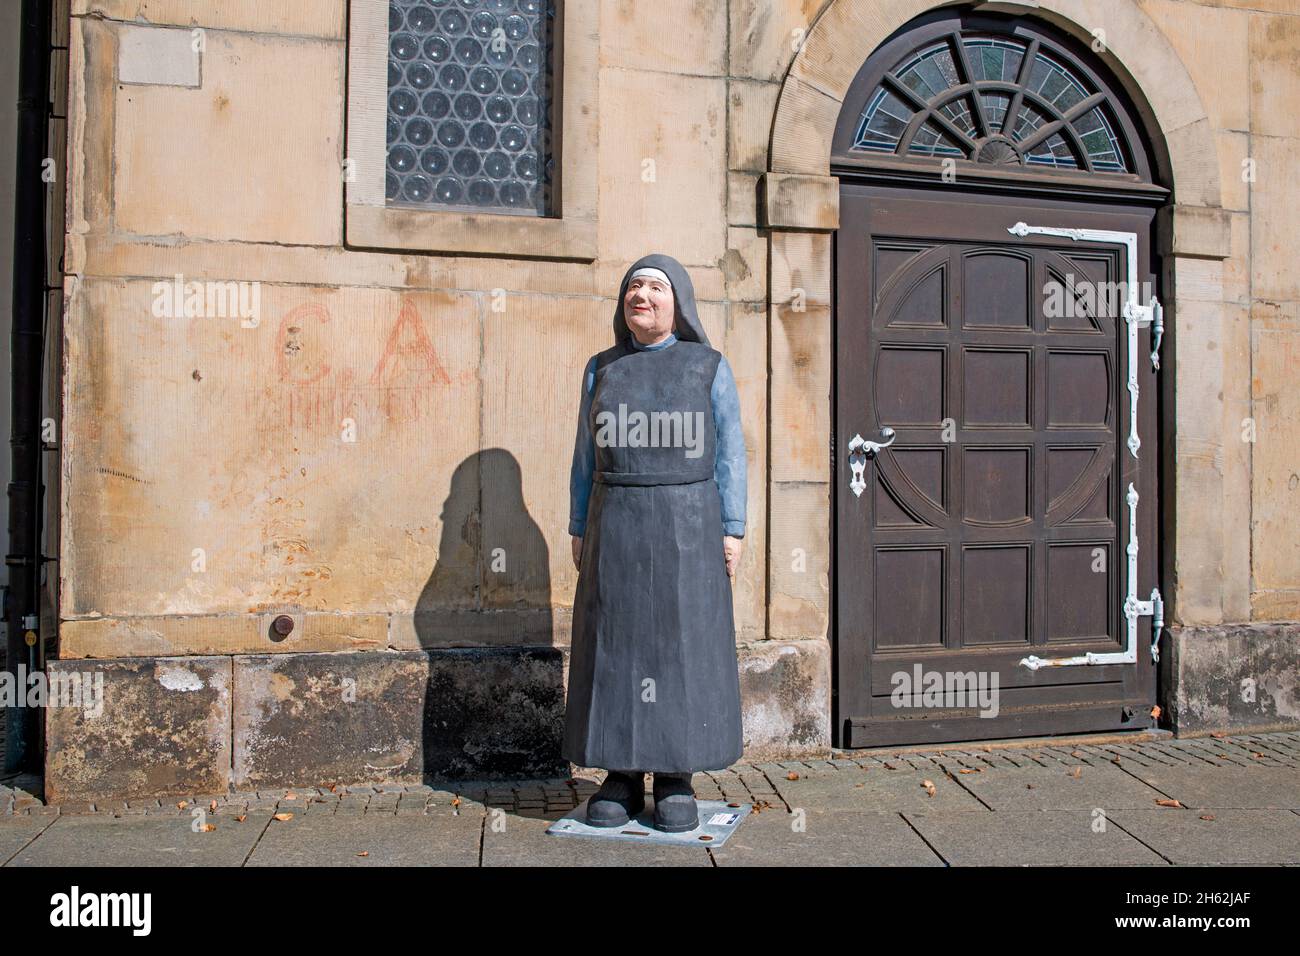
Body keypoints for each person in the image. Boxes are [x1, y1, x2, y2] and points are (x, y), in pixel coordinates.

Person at [564, 252, 747, 833]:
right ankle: (619, 774)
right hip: (614, 522)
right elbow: (584, 456)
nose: (642, 294)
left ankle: (675, 777)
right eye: (633, 286)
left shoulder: (708, 367)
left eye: (656, 286)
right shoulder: (602, 368)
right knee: (615, 643)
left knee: (680, 646)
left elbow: (730, 454)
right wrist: (576, 524)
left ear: (679, 302)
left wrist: (733, 528)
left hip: (688, 528)